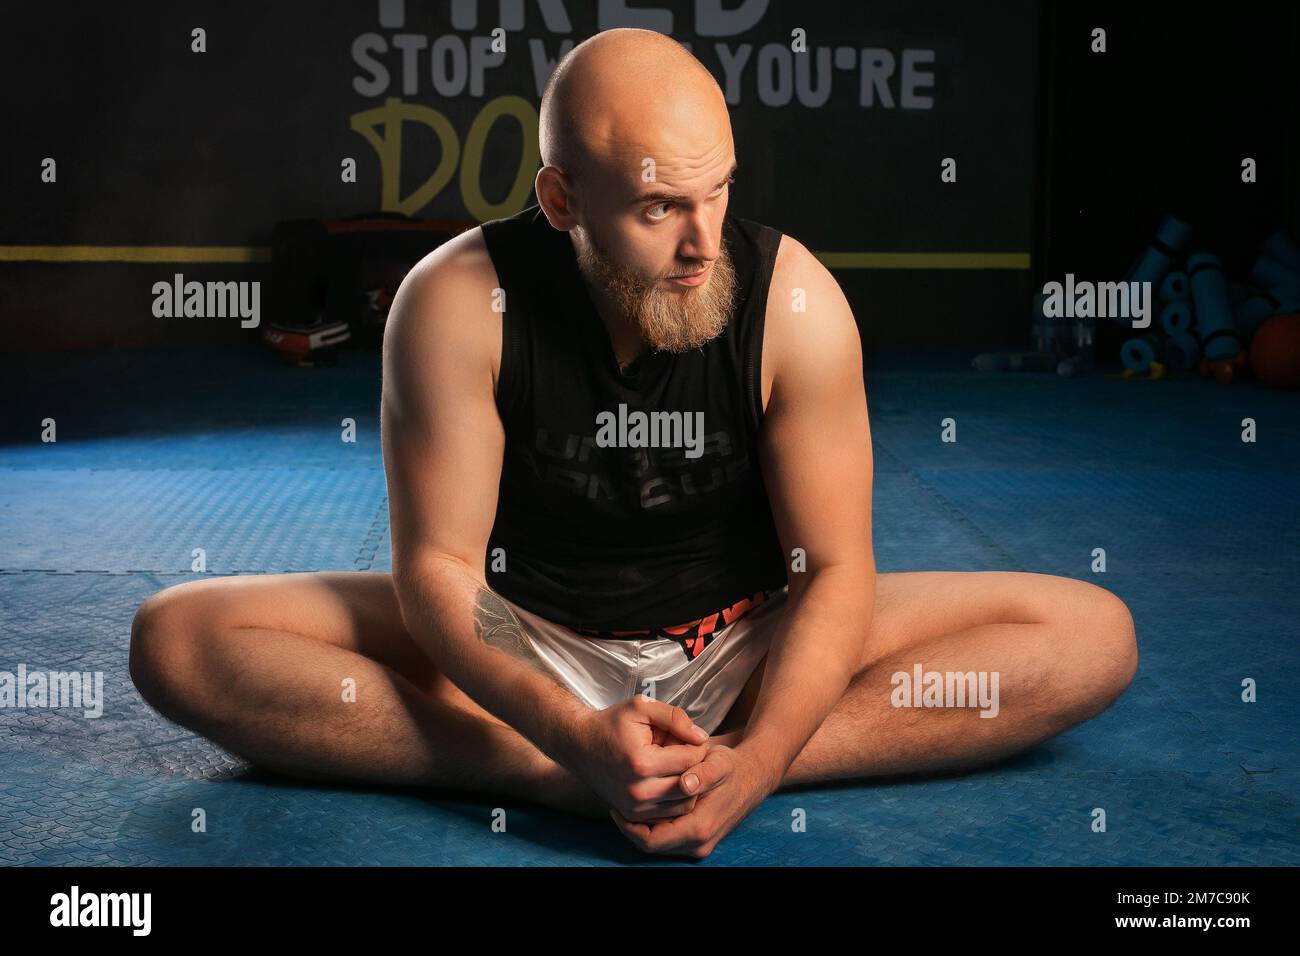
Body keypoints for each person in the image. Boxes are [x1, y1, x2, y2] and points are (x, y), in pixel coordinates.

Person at [129, 28, 1138, 859]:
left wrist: (761, 758)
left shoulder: (796, 302)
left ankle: (706, 765)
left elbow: (833, 570)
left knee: (1091, 635)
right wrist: (569, 739)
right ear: (561, 200)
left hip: (744, 642)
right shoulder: (453, 302)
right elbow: (437, 570)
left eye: (718, 193)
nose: (703, 242)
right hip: (524, 644)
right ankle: (554, 780)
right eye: (660, 207)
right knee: (176, 640)